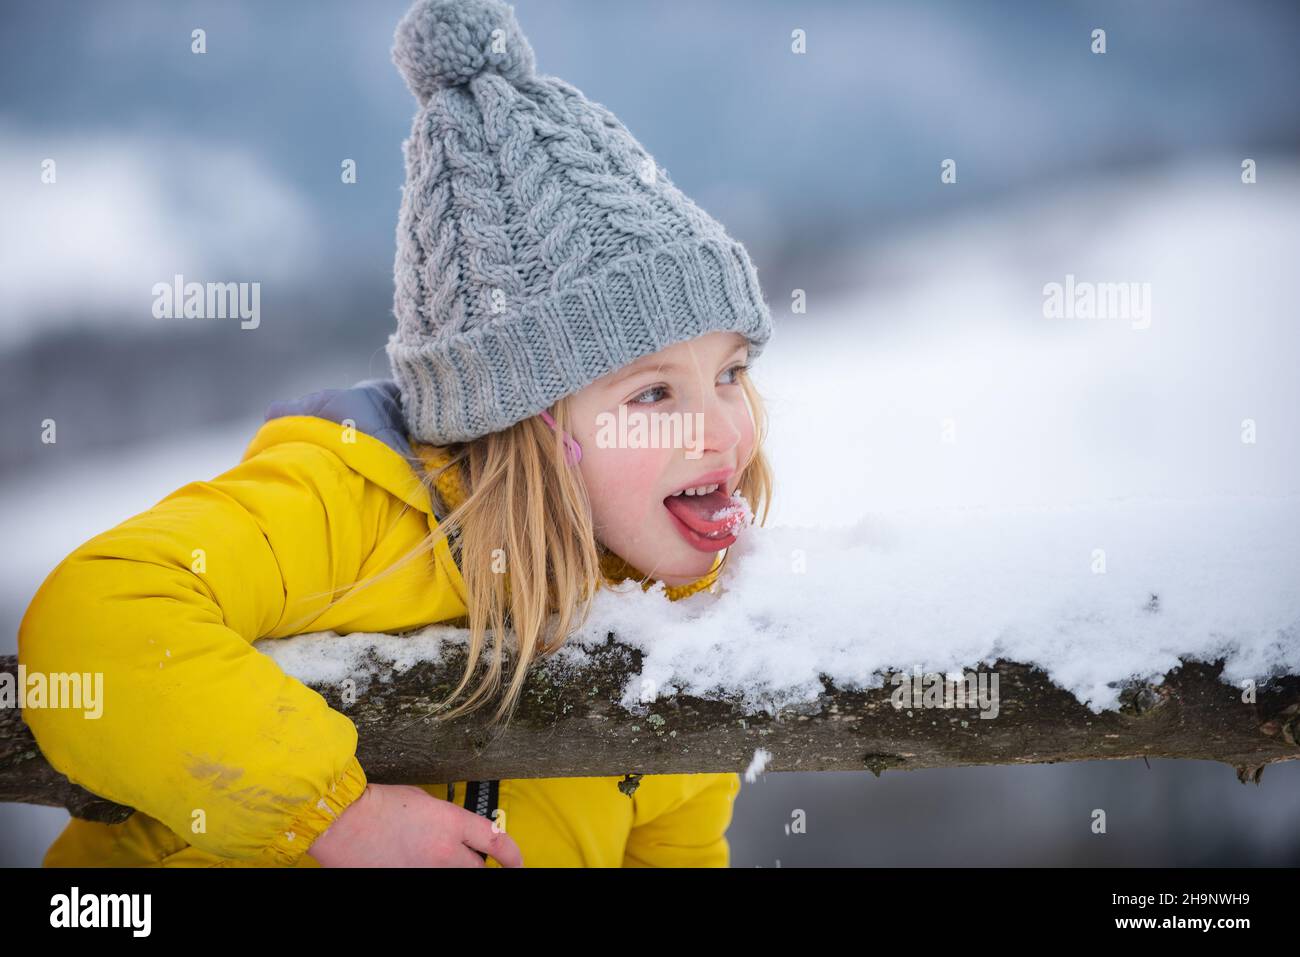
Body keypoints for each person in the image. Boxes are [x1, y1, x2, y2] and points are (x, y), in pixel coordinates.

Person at [19, 0, 776, 867]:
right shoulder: (350, 512)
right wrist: (331, 814)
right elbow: (93, 621)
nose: (724, 430)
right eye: (652, 393)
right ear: (522, 423)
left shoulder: (680, 625)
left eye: (730, 373)